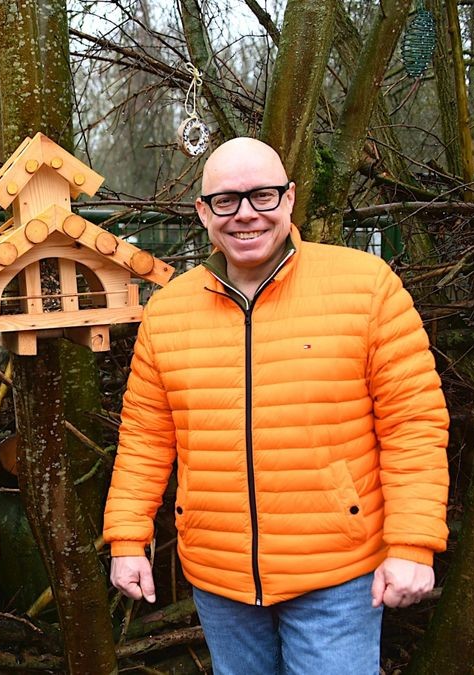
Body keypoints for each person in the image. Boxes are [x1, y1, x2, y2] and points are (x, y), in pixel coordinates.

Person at [103, 137, 449, 674]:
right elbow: (146, 438)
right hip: (220, 578)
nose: (246, 215)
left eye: (262, 196)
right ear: (203, 212)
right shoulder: (168, 311)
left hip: (337, 573)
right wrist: (127, 537)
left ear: (289, 200)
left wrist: (413, 544)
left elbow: (413, 426)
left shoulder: (367, 287)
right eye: (226, 201)